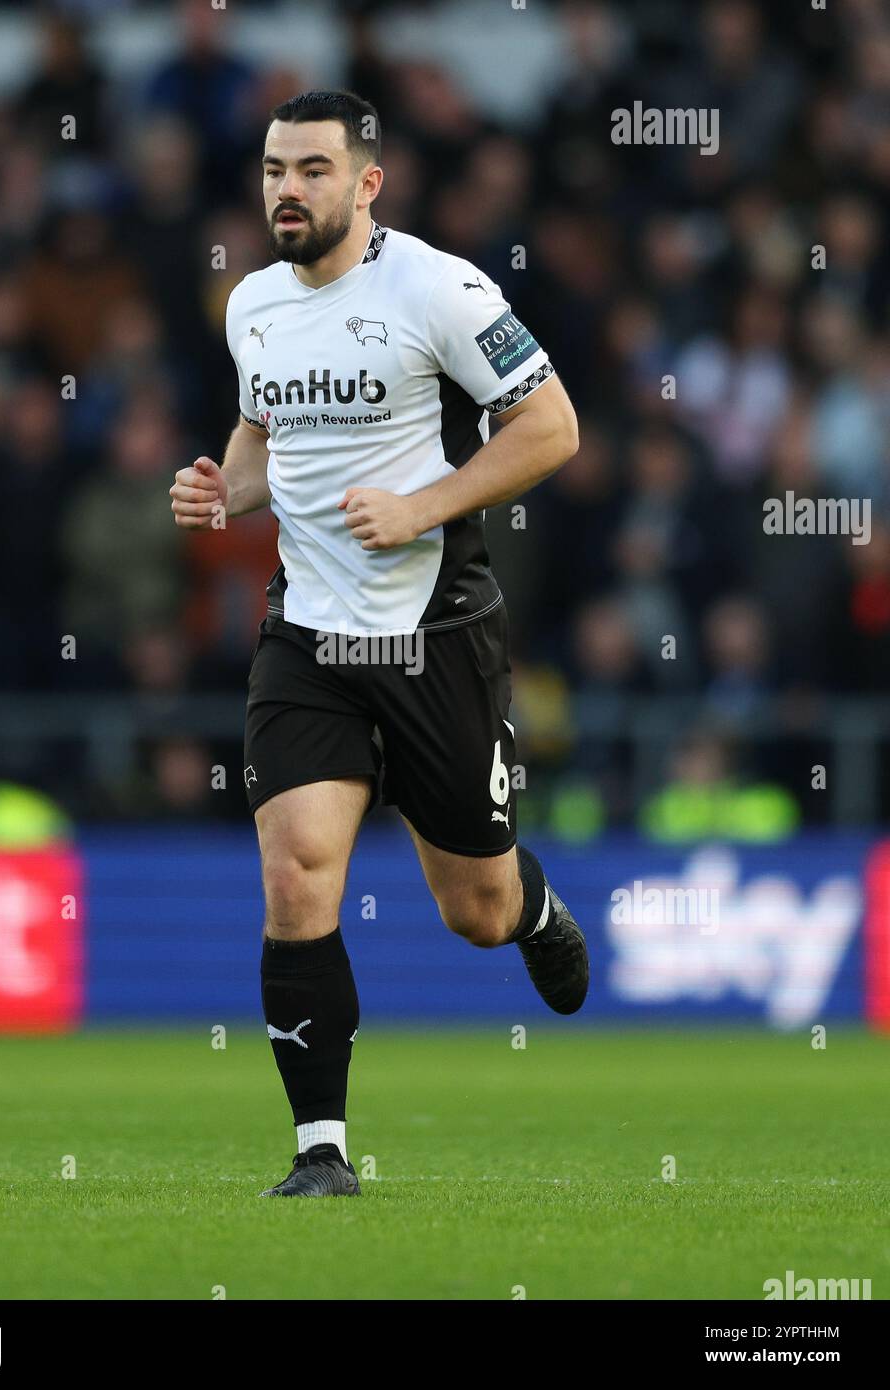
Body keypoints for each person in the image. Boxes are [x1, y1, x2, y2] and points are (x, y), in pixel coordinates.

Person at [170, 90, 585, 1197]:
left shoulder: (442, 289)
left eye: (310, 169)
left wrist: (424, 506)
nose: (284, 190)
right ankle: (321, 1152)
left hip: (434, 637)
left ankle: (533, 905)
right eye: (271, 169)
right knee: (296, 872)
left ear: (366, 183)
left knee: (473, 911)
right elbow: (266, 437)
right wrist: (222, 489)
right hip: (304, 634)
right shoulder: (250, 305)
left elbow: (551, 427)